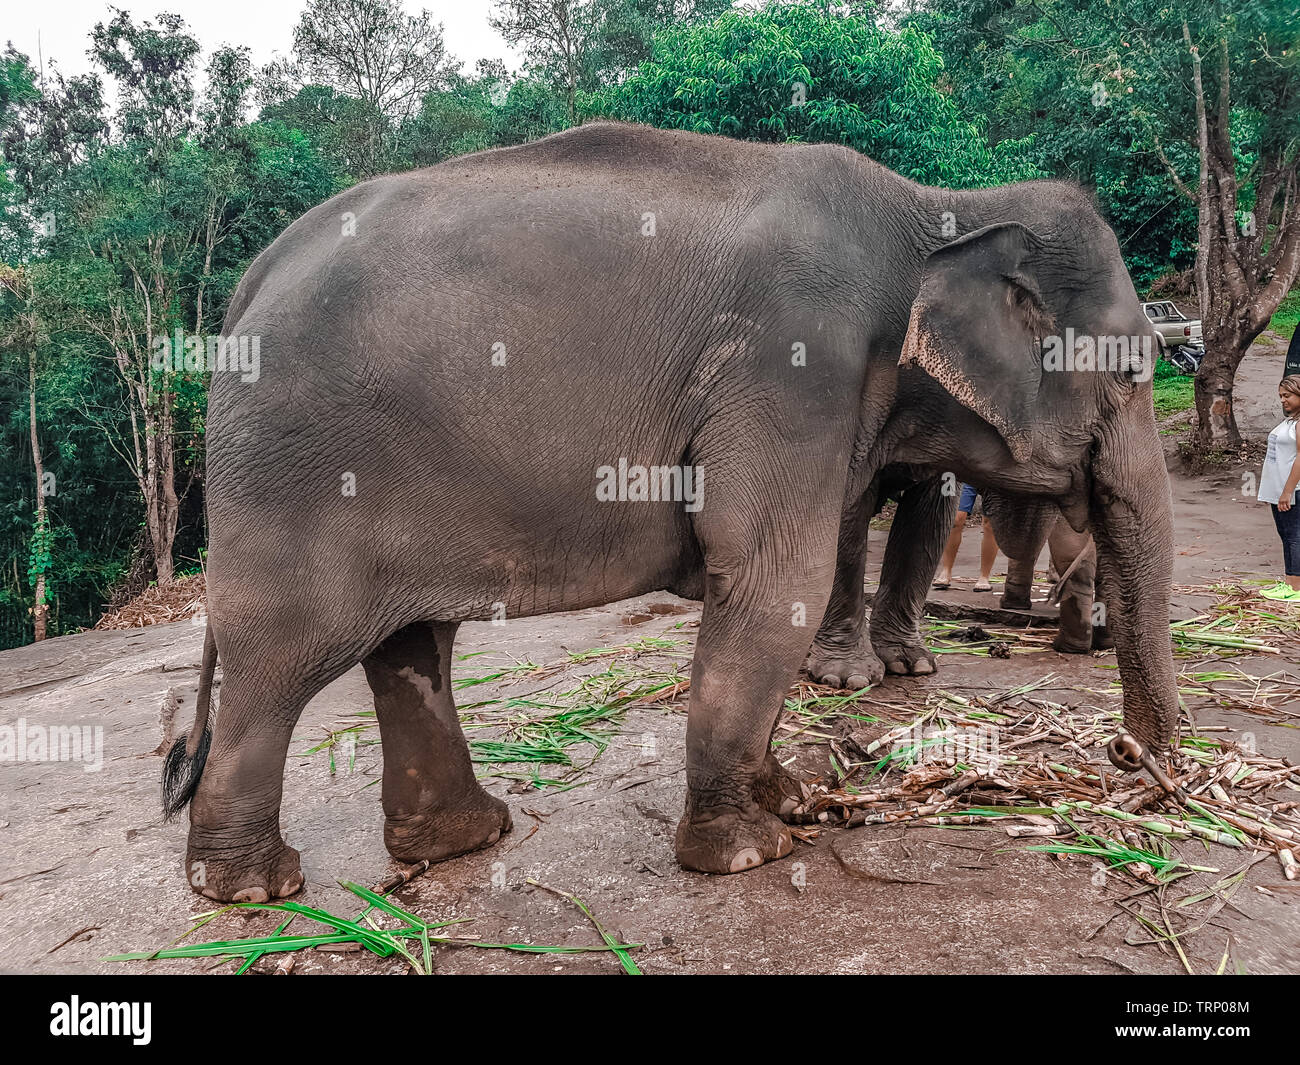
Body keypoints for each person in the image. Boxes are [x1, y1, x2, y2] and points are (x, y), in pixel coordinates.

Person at [1258, 375, 1300, 600]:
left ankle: (1295, 588)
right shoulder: (1291, 420)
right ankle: (1289, 582)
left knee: (1294, 536)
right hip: (1279, 489)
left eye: (1288, 395)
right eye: (1281, 396)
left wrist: (1287, 491)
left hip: (1293, 491)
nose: (1283, 400)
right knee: (1286, 535)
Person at [933, 483, 999, 591]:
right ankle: (945, 570)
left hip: (993, 474)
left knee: (990, 523)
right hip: (962, 474)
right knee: (954, 518)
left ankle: (984, 576)